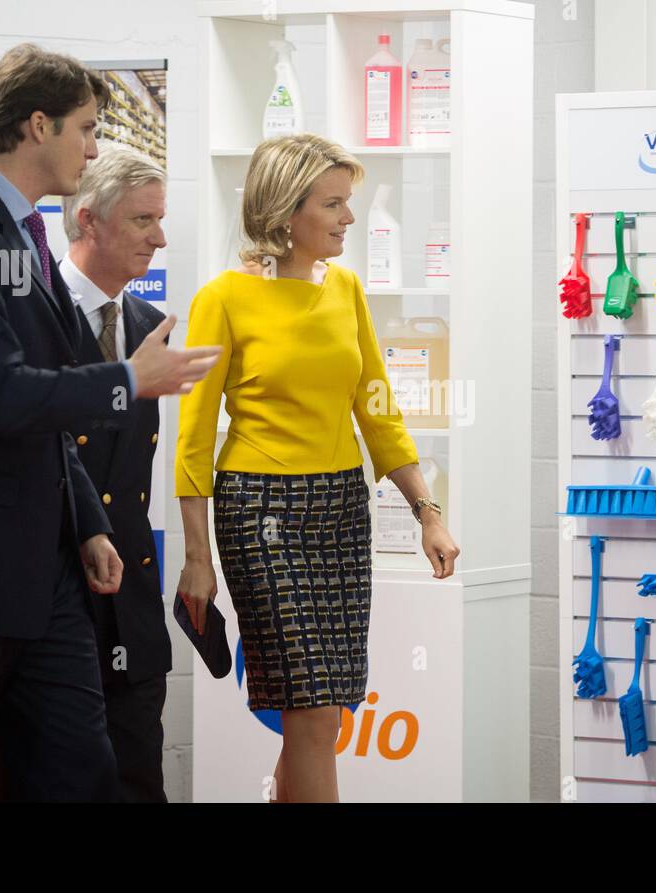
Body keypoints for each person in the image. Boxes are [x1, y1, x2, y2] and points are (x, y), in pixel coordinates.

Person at [0, 43, 218, 802]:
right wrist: (126, 379)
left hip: (49, 569)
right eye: (85, 127)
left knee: (83, 772)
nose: (93, 145)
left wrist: (87, 524)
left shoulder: (26, 235)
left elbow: (44, 410)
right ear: (38, 125)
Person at [174, 133, 460, 803]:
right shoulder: (222, 298)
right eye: (332, 204)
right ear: (284, 210)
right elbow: (192, 441)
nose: (347, 219)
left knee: (326, 710)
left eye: (347, 202)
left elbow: (378, 411)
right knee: (305, 705)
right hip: (260, 512)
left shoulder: (348, 289)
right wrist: (196, 558)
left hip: (340, 508)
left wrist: (428, 513)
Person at [58, 145, 172, 802]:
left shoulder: (151, 328)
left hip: (131, 608)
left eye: (161, 220)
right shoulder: (33, 316)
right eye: (141, 221)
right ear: (90, 219)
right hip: (55, 598)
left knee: (137, 782)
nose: (159, 238)